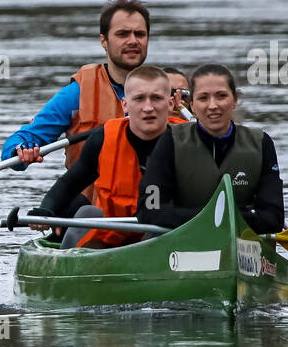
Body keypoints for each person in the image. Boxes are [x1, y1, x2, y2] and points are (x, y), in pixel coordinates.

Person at [29, 66, 189, 249]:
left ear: (170, 104)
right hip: (112, 235)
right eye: (139, 98)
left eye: (156, 98)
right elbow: (68, 184)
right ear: (125, 105)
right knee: (87, 211)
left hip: (166, 233)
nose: (148, 107)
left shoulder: (191, 140)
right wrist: (45, 211)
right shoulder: (103, 138)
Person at [1, 0, 152, 178]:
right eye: (123, 34)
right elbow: (18, 141)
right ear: (104, 41)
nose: (133, 41)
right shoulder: (77, 94)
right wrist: (21, 150)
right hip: (90, 202)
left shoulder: (168, 92)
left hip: (152, 199)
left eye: (140, 34)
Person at [136, 63, 284, 234]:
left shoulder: (261, 143)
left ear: (234, 99)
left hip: (240, 240)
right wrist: (211, 219)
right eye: (203, 98)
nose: (213, 105)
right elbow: (148, 209)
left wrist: (231, 221)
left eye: (221, 96)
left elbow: (273, 217)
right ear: (192, 104)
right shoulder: (169, 141)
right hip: (179, 239)